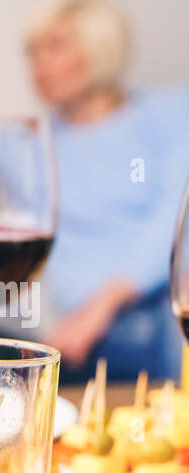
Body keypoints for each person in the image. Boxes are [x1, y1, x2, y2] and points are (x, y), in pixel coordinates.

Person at [27, 0, 189, 381]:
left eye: (55, 47)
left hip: (156, 310)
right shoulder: (33, 143)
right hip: (92, 337)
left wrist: (101, 308)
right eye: (32, 51)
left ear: (99, 49)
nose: (38, 64)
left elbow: (176, 217)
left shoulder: (171, 113)